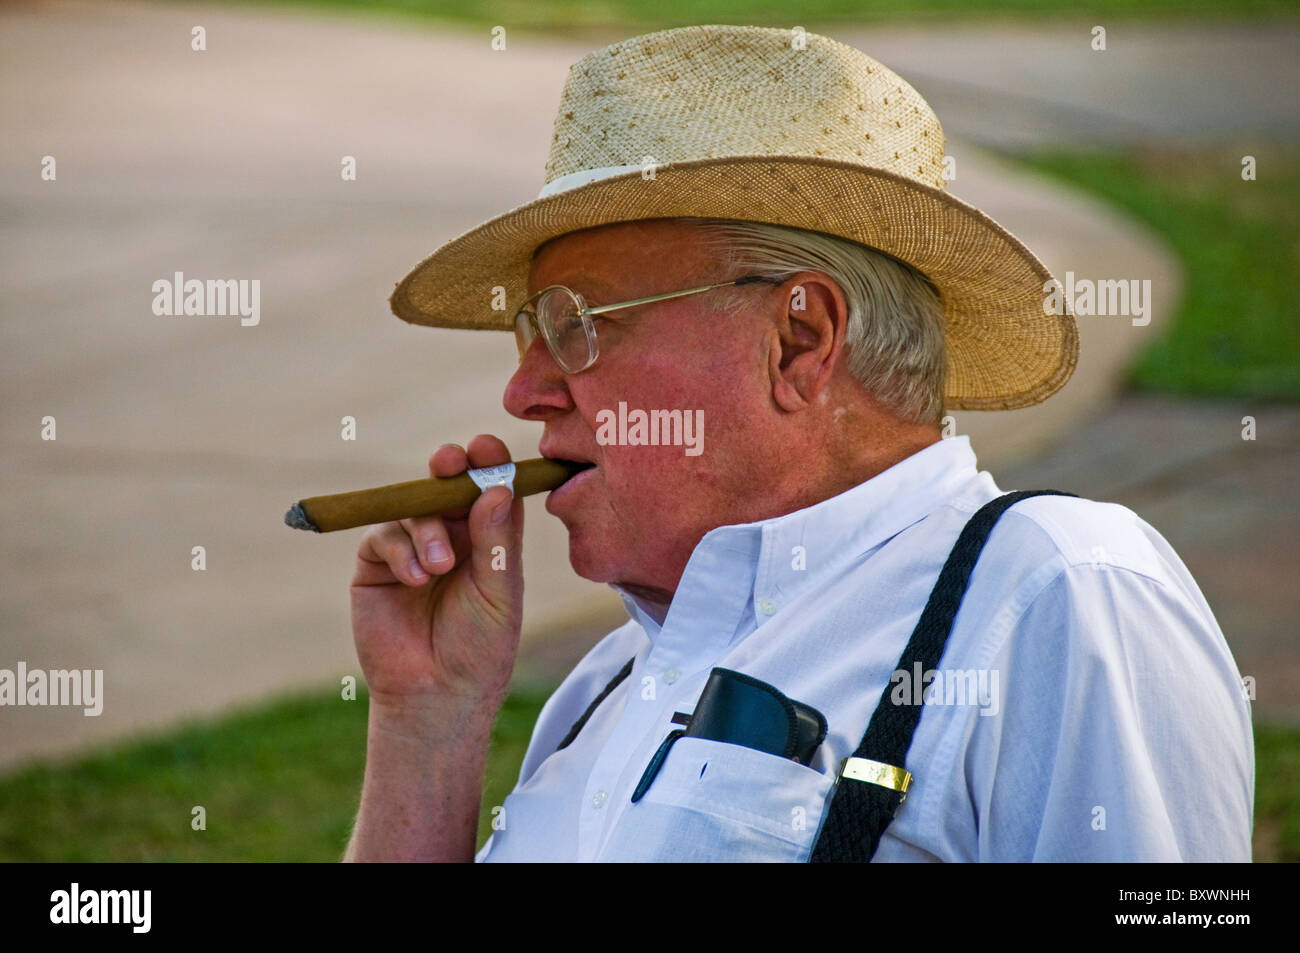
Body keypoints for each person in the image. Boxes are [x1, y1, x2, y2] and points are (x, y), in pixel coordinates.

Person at [342, 25, 1253, 862]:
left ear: (799, 340)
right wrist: (428, 719)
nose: (526, 390)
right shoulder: (604, 690)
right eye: (529, 332)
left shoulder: (1061, 589)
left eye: (575, 324)